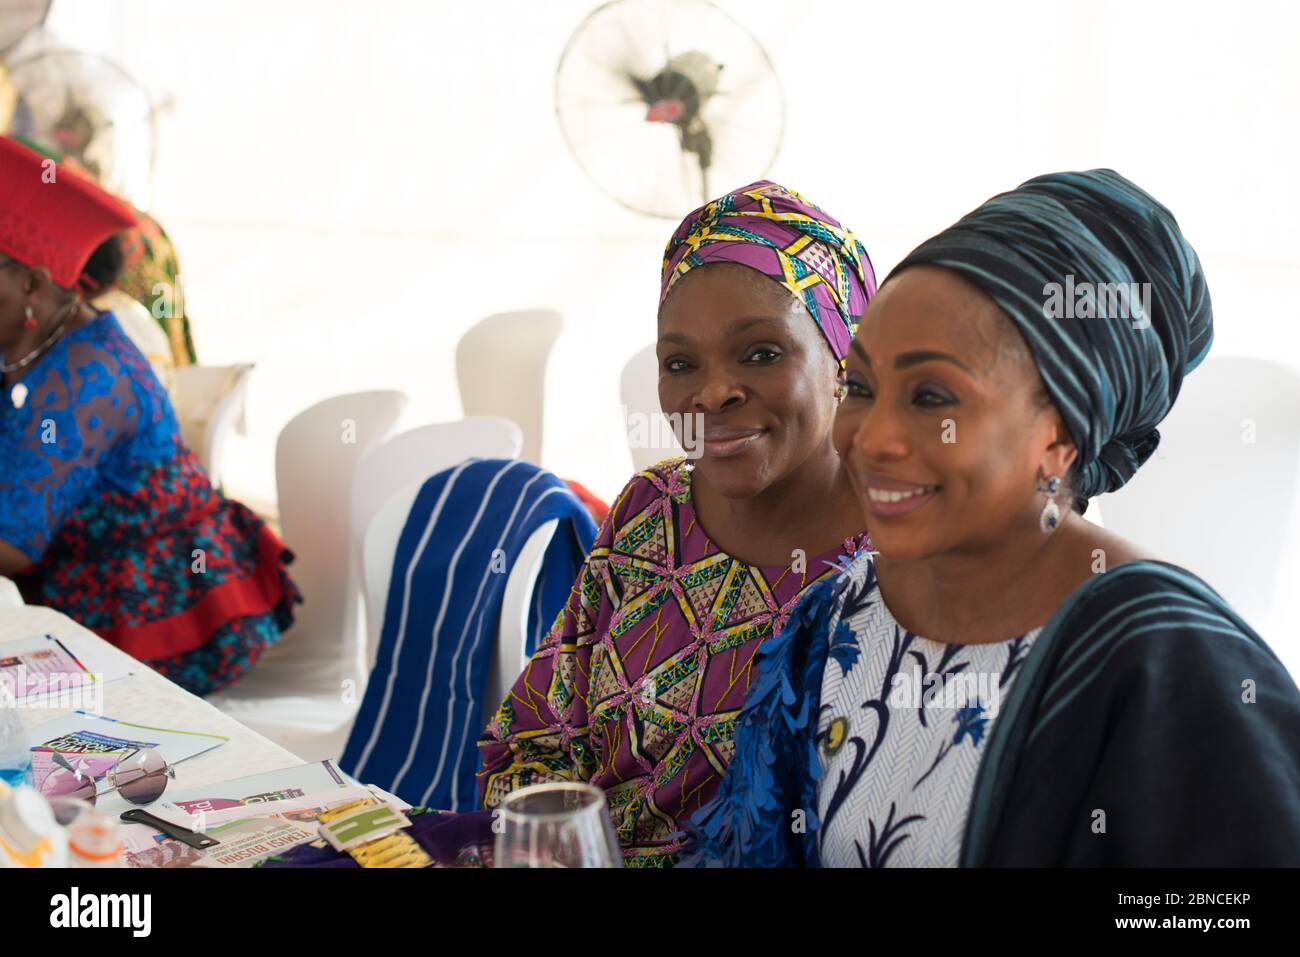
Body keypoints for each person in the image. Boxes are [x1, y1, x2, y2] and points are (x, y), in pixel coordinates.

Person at [684, 169, 1300, 867]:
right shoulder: (830, 626)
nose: (871, 437)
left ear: (1059, 436)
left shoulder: (1171, 667)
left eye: (932, 395)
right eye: (860, 385)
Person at [477, 180, 877, 866]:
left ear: (843, 360)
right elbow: (534, 739)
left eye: (760, 353)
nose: (713, 391)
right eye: (680, 363)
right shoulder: (651, 510)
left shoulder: (890, 567)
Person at [0, 136, 299, 696]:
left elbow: (12, 543)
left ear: (34, 286)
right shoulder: (29, 343)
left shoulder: (90, 374)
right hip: (76, 586)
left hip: (155, 608)